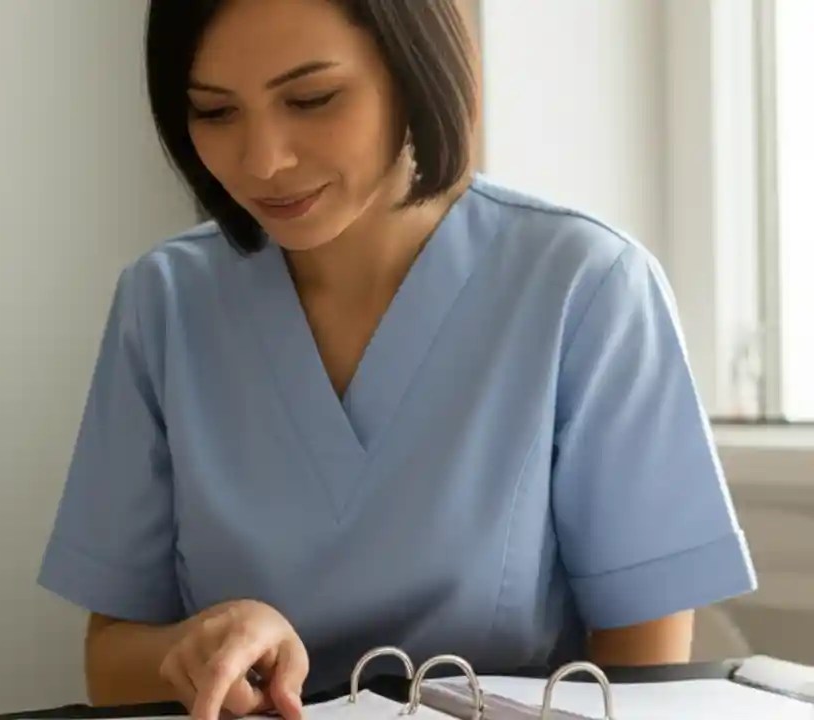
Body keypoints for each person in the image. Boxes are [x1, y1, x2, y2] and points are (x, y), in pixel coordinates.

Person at [37, 1, 757, 719]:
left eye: (312, 99)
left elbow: (648, 676)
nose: (263, 160)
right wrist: (204, 646)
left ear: (414, 70)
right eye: (216, 112)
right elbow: (111, 666)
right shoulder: (163, 302)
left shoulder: (587, 286)